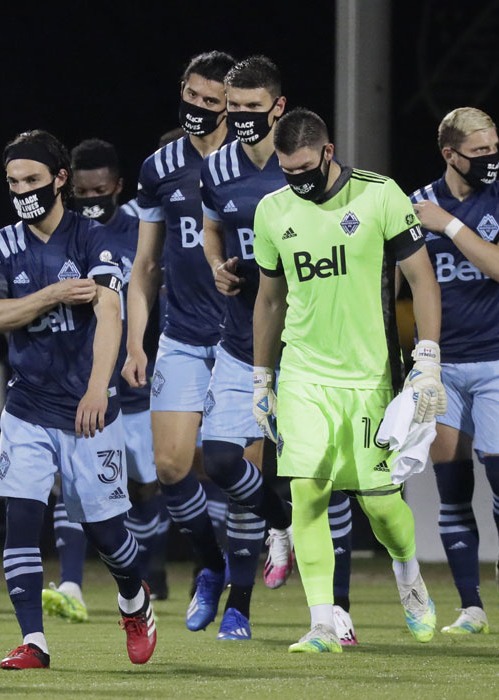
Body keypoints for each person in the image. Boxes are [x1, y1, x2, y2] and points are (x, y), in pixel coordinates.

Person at [251, 108, 443, 653]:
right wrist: (262, 377)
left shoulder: (380, 195)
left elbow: (422, 280)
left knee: (380, 505)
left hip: (370, 376)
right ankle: (321, 624)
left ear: (328, 152)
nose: (297, 180)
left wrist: (428, 358)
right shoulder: (272, 211)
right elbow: (269, 299)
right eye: (287, 171)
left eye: (305, 168)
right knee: (307, 491)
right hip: (304, 373)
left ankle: (408, 574)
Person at [200, 55, 361, 643]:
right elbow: (212, 227)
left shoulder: (308, 166)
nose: (241, 116)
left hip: (310, 348)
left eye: (252, 106)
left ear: (278, 107)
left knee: (326, 480)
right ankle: (284, 522)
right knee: (220, 460)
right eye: (233, 106)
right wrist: (217, 265)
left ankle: (339, 609)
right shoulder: (216, 168)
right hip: (242, 339)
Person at [0, 130, 155, 670]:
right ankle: (34, 641)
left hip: (88, 408)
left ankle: (135, 599)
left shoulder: (93, 239)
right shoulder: (3, 244)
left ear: (59, 179)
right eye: (13, 182)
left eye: (32, 179)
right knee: (22, 518)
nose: (22, 191)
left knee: (108, 534)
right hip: (27, 406)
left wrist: (98, 388)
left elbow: (109, 313)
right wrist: (53, 294)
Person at [124, 50, 241, 634]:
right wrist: (135, 343)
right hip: (184, 335)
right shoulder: (159, 167)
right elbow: (146, 265)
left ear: (232, 107)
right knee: (170, 464)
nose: (197, 107)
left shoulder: (255, 163)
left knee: (238, 473)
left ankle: (241, 602)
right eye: (191, 95)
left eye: (210, 101)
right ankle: (210, 565)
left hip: (245, 342)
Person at [409, 107, 499, 634]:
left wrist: (449, 224)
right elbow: (399, 286)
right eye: (479, 151)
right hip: (443, 363)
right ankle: (471, 607)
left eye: (494, 149)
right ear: (450, 154)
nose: (491, 159)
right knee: (453, 486)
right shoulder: (414, 205)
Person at [38, 138, 158, 625]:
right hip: (83, 383)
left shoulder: (142, 231)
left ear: (119, 187)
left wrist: (145, 348)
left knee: (145, 483)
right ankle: (71, 583)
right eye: (83, 192)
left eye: (100, 191)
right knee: (73, 482)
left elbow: (153, 292)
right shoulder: (63, 234)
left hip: (140, 380)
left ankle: (148, 573)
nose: (91, 200)